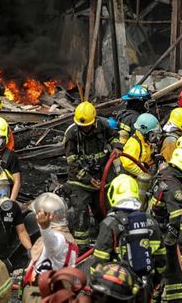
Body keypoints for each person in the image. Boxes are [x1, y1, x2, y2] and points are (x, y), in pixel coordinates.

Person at [82, 174, 163, 298]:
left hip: (118, 287)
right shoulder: (152, 222)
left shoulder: (110, 223)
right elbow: (161, 260)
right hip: (145, 287)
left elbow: (98, 262)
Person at [150, 145, 182, 303]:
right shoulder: (172, 186)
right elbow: (177, 216)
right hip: (164, 234)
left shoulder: (169, 175)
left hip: (159, 231)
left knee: (164, 274)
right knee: (172, 273)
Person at [63, 101, 114, 249]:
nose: (84, 128)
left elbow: (114, 136)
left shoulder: (103, 125)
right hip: (80, 181)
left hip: (102, 177)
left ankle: (106, 241)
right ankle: (82, 248)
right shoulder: (71, 134)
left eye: (87, 125)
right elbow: (72, 162)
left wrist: (117, 146)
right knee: (81, 213)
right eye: (81, 126)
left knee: (104, 210)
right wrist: (88, 179)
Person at [19, 192, 76, 300]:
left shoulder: (59, 238)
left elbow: (51, 243)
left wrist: (44, 228)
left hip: (41, 294)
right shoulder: (67, 237)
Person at [112, 113, 159, 193]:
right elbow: (128, 165)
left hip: (138, 181)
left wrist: (153, 158)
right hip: (130, 184)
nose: (154, 136)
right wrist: (144, 173)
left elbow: (144, 157)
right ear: (145, 131)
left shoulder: (145, 142)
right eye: (152, 134)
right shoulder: (134, 144)